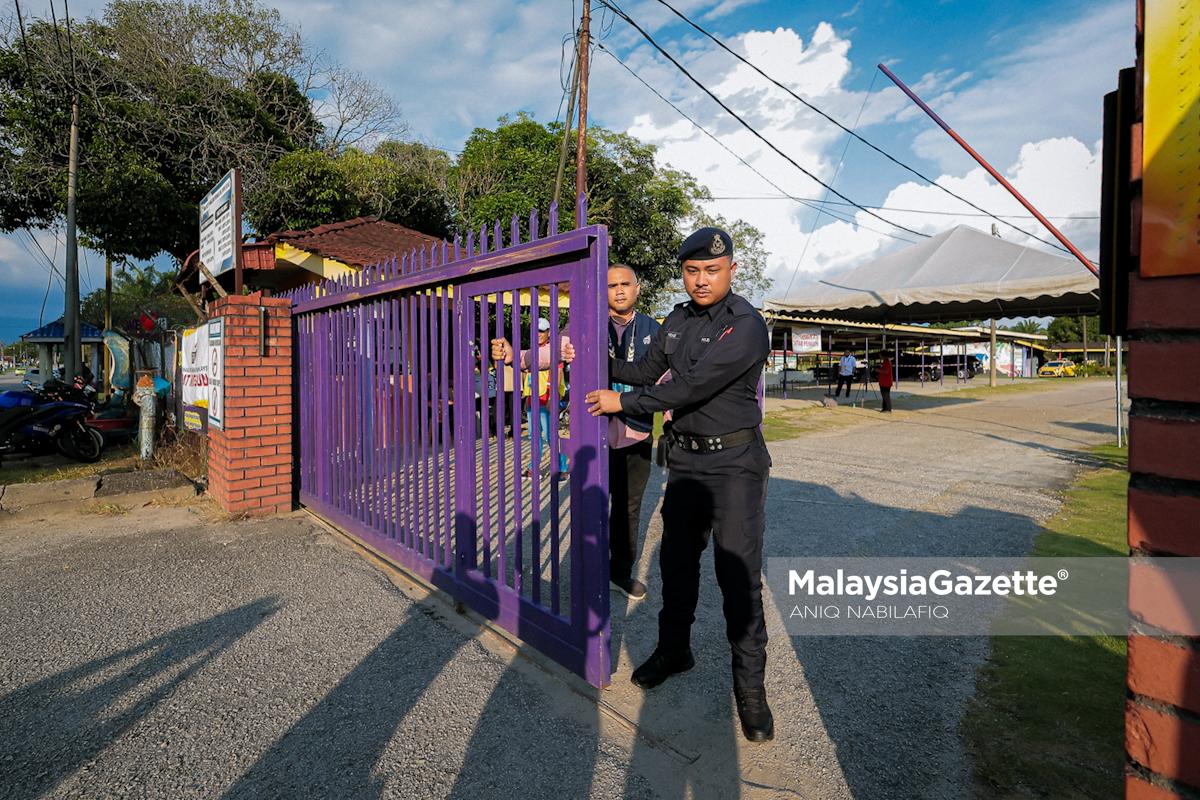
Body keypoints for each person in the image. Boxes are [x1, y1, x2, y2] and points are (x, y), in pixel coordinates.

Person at [585, 227, 775, 743]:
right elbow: (644, 370)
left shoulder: (747, 325)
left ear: (731, 269)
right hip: (686, 462)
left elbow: (690, 386)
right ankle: (675, 650)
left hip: (734, 464)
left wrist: (621, 403)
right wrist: (587, 359)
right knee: (676, 563)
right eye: (691, 271)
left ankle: (750, 691)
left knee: (738, 577)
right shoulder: (676, 319)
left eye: (712, 270)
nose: (700, 280)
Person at [605, 264, 661, 601]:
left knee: (628, 508)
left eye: (626, 284)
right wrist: (516, 356)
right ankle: (589, 569)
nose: (620, 290)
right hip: (594, 435)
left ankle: (619, 572)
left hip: (637, 433)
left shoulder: (654, 329)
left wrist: (670, 419)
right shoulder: (588, 322)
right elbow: (550, 351)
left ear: (637, 288)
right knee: (593, 505)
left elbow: (669, 380)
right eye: (612, 285)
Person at [491, 318, 571, 477]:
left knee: (550, 437)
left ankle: (562, 468)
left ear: (549, 333)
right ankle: (533, 469)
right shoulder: (530, 351)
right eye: (536, 331)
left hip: (547, 400)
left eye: (542, 331)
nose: (539, 334)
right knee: (534, 437)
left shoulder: (553, 350)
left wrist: (552, 398)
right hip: (532, 400)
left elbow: (558, 374)